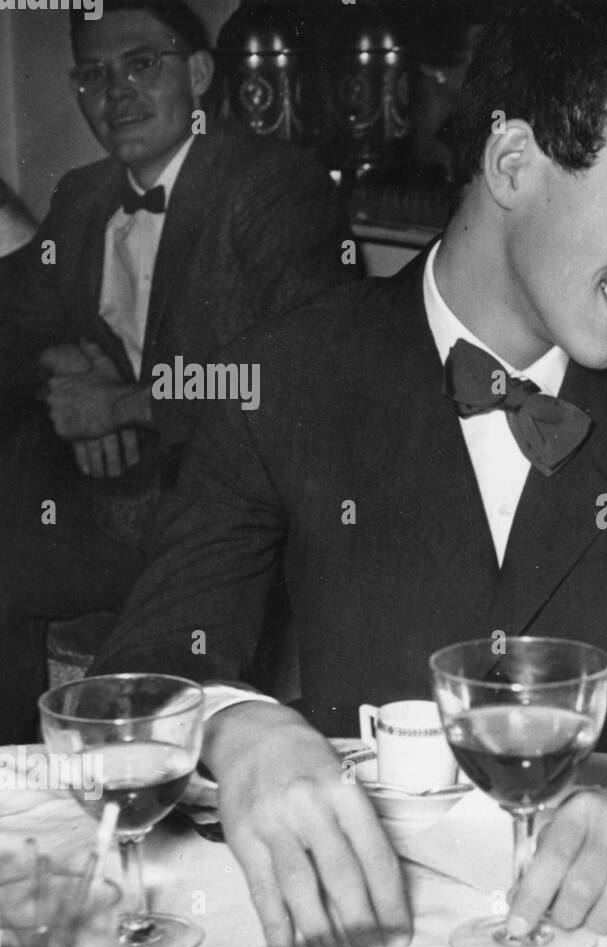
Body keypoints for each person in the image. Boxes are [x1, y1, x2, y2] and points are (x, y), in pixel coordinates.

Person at [94, 0, 607, 947]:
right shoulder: (280, 376)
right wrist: (242, 727)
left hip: (582, 937)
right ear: (513, 164)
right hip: (346, 929)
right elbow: (149, 661)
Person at [0, 0, 356, 743]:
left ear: (197, 74)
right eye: (94, 74)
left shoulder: (276, 190)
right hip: (104, 507)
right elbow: (15, 317)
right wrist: (61, 364)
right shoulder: (81, 195)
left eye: (141, 64)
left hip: (226, 526)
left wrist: (125, 406)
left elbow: (292, 380)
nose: (116, 92)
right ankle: (20, 790)